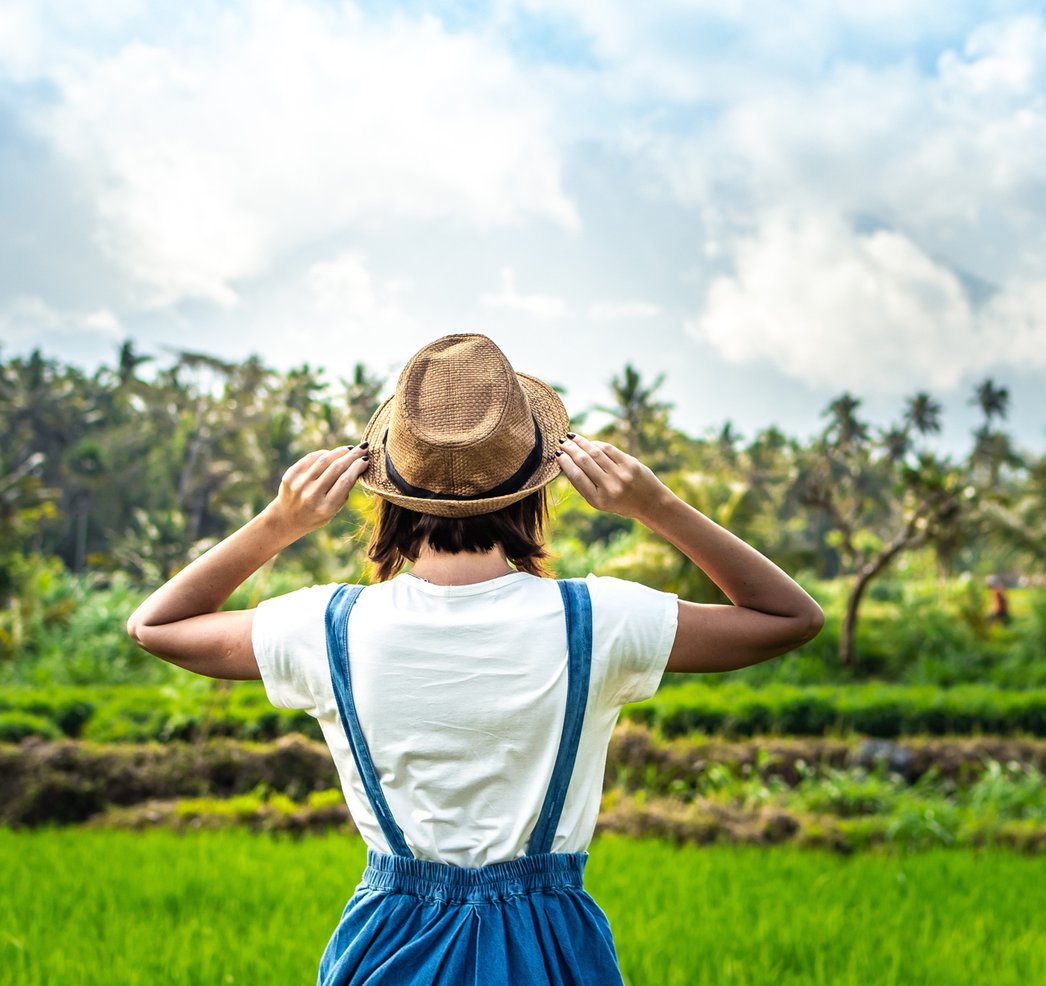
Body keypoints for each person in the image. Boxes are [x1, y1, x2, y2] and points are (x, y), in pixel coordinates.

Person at [125, 332, 825, 984]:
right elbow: (789, 617)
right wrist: (657, 504)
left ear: (385, 488)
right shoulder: (598, 618)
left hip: (386, 945)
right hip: (551, 946)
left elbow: (157, 625)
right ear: (537, 488)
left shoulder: (328, 625)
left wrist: (282, 521)